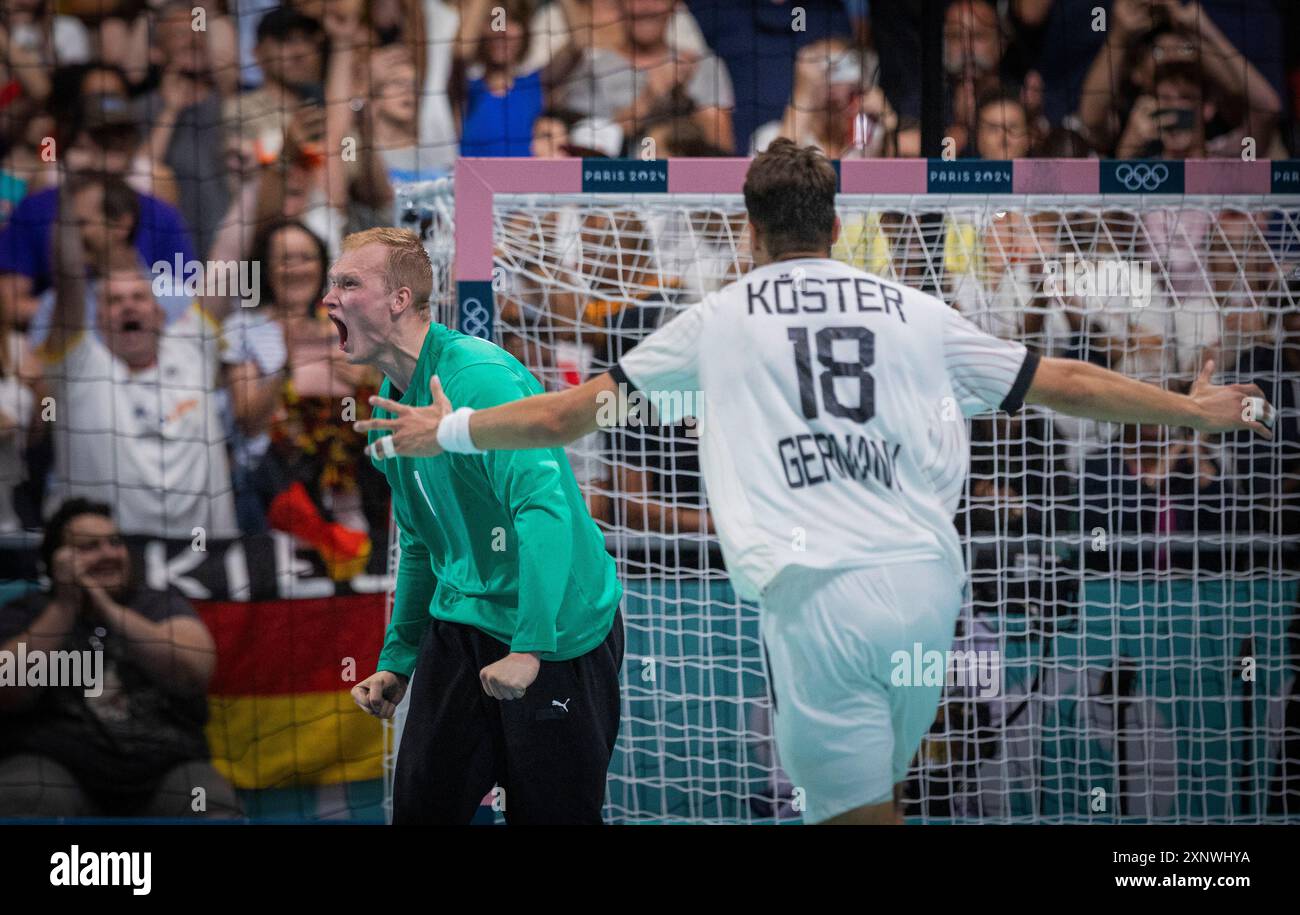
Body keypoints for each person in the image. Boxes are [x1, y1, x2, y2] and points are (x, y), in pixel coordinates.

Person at [358, 140, 1275, 825]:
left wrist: (451, 427)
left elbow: (569, 417)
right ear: (839, 227)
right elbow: (1058, 379)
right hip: (929, 593)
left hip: (820, 599)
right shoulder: (918, 310)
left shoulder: (720, 317)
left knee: (853, 811)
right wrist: (1190, 409)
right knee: (886, 795)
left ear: (750, 232)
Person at [337, 227, 624, 824]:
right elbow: (419, 540)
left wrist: (529, 648)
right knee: (420, 811)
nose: (328, 297)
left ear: (399, 300)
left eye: (347, 283)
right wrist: (398, 658)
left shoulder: (476, 376)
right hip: (461, 624)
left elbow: (542, 512)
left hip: (553, 631)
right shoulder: (391, 400)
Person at [0, 498, 240, 818]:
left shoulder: (160, 605)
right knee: (24, 797)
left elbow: (194, 671)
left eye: (115, 542)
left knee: (210, 804)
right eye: (90, 547)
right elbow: (7, 689)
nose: (109, 554)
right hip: (55, 766)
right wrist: (65, 607)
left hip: (165, 771)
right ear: (56, 560)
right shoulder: (28, 611)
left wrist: (106, 607)